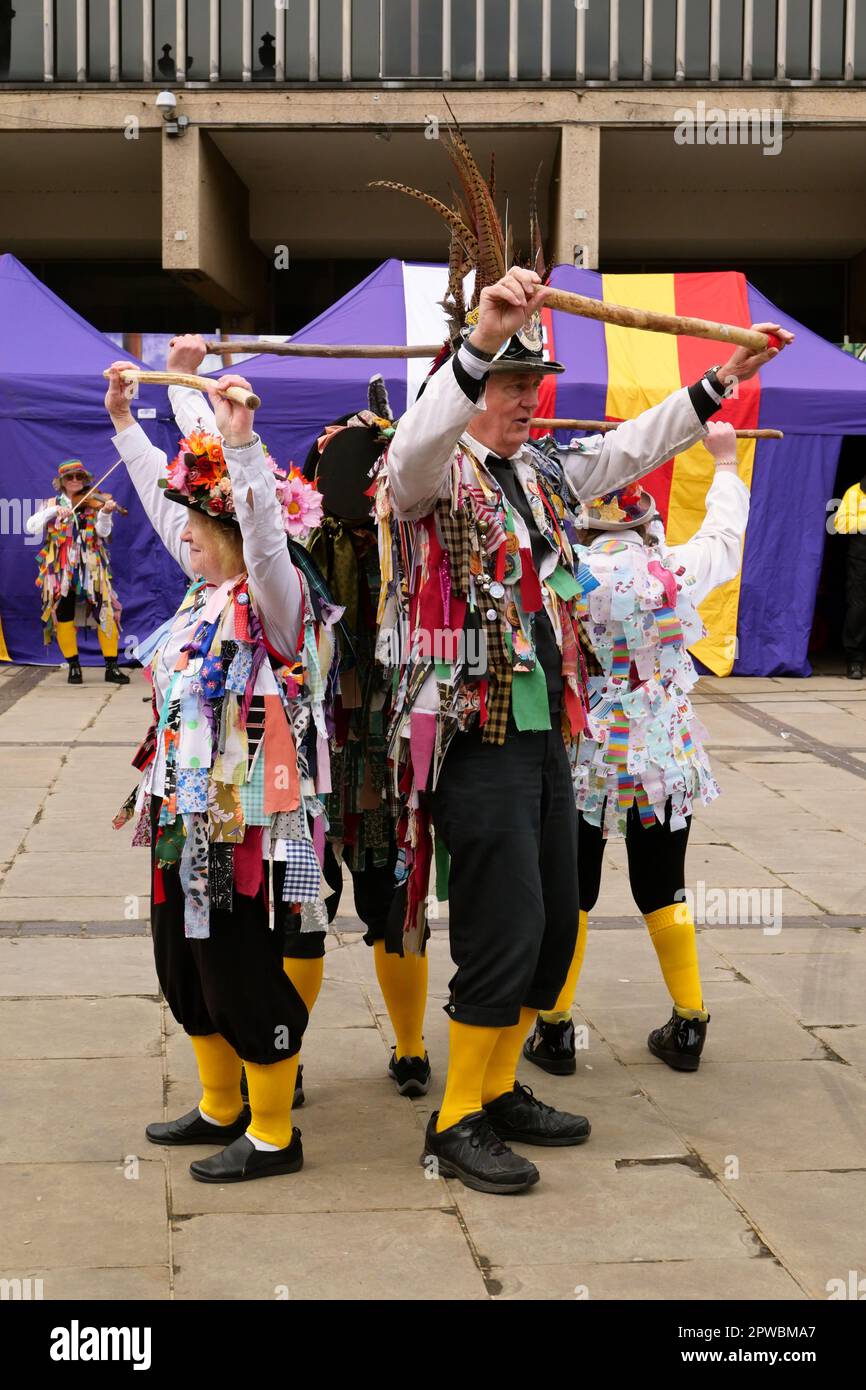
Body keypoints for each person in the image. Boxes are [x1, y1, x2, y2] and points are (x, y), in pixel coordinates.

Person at [162, 336, 431, 1099]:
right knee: (345, 907)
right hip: (325, 761)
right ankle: (363, 1053)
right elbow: (217, 476)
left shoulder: (311, 547)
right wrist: (191, 394)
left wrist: (191, 395)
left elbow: (216, 472)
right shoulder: (308, 548)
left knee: (334, 909)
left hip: (341, 760)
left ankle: (319, 1058)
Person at [105, 359, 330, 1184]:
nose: (184, 531)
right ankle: (219, 1105)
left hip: (244, 825)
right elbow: (174, 507)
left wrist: (240, 451)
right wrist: (128, 425)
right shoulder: (203, 593)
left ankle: (274, 1135)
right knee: (182, 961)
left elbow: (263, 529)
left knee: (238, 966)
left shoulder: (274, 596)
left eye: (202, 520)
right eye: (187, 520)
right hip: (181, 814)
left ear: (233, 527)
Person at [523, 421, 750, 1076]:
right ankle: (689, 1023)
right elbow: (724, 541)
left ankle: (557, 1029)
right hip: (662, 748)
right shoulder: (671, 571)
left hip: (591, 749)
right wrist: (727, 463)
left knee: (573, 885)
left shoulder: (569, 575)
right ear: (645, 518)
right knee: (663, 884)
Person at [27, 460, 129, 684]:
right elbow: (31, 526)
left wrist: (105, 514)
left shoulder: (94, 501)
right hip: (61, 568)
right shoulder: (51, 504)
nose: (75, 481)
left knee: (106, 611)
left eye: (79, 477)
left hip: (92, 564)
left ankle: (111, 667)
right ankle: (74, 666)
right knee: (63, 613)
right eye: (70, 477)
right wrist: (54, 511)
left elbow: (103, 531)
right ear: (61, 481)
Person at [833, 476, 866, 679]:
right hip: (861, 559)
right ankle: (855, 660)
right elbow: (840, 524)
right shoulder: (855, 492)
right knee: (859, 608)